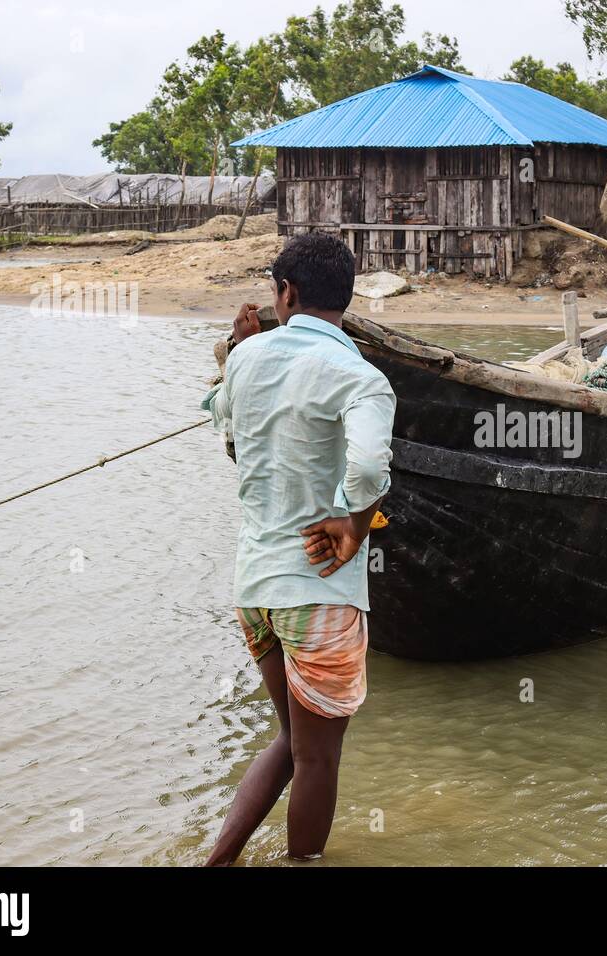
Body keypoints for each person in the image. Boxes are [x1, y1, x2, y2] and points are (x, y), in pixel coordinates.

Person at [201, 232, 396, 865]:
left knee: (291, 739)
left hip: (254, 588)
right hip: (318, 591)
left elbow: (225, 426)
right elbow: (367, 471)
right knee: (317, 754)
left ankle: (217, 860)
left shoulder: (248, 358)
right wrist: (355, 524)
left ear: (285, 293)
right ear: (347, 296)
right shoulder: (362, 377)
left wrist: (235, 349)